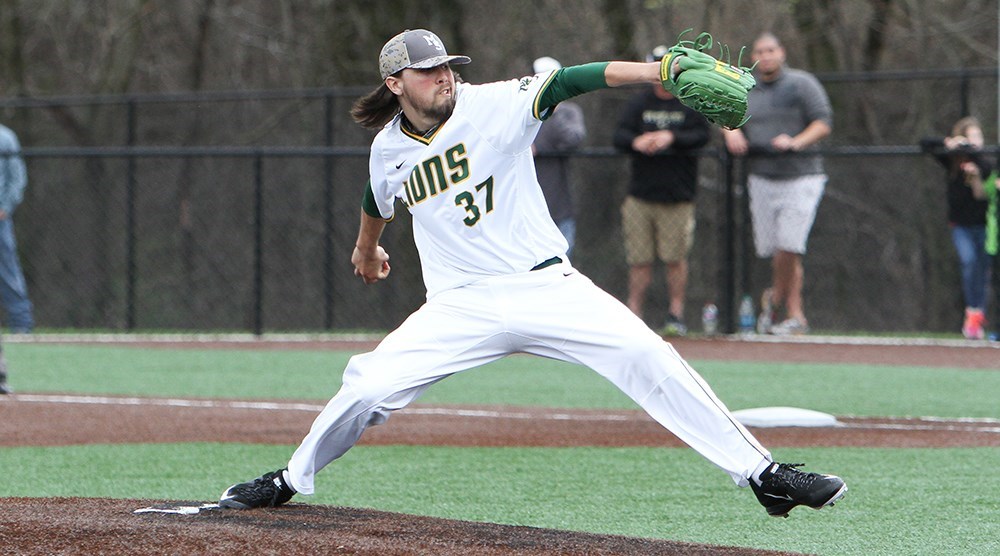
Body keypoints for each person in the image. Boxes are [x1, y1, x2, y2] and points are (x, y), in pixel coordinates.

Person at [219, 28, 847, 518]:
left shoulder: (495, 104)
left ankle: (763, 476)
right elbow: (377, 198)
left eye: (447, 66)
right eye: (428, 70)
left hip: (545, 285)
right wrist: (366, 248)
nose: (443, 77)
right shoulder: (387, 146)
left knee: (648, 355)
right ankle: (289, 478)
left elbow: (575, 79)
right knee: (365, 387)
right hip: (458, 305)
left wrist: (659, 70)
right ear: (394, 82)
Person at [722, 32, 832, 336]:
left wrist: (795, 142)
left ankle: (781, 304)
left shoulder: (802, 83)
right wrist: (730, 130)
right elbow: (725, 114)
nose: (765, 56)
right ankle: (788, 314)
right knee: (779, 250)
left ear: (781, 52)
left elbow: (823, 122)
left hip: (801, 176)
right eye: (759, 51)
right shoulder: (745, 87)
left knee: (789, 245)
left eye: (770, 50)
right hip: (761, 177)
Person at [613, 45, 710, 337]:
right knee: (639, 260)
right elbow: (619, 136)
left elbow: (702, 136)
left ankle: (675, 314)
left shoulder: (690, 101)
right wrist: (637, 142)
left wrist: (672, 137)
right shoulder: (638, 103)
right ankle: (634, 315)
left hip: (677, 197)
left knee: (675, 259)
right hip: (641, 196)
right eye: (656, 65)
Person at [920, 116, 995, 339]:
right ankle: (972, 311)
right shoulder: (952, 161)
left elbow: (986, 171)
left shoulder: (985, 162)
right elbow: (925, 143)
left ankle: (976, 315)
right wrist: (950, 142)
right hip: (960, 226)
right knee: (968, 261)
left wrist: (973, 161)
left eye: (977, 137)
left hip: (984, 227)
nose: (974, 141)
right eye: (970, 137)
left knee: (982, 271)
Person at [530, 56, 587, 256]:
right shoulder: (522, 113)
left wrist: (553, 108)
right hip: (527, 211)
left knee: (563, 266)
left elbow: (574, 139)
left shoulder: (568, 113)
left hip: (560, 207)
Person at [0, 122, 33, 334]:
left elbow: (17, 177)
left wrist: (5, 207)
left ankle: (21, 327)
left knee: (8, 272)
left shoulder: (5, 137)